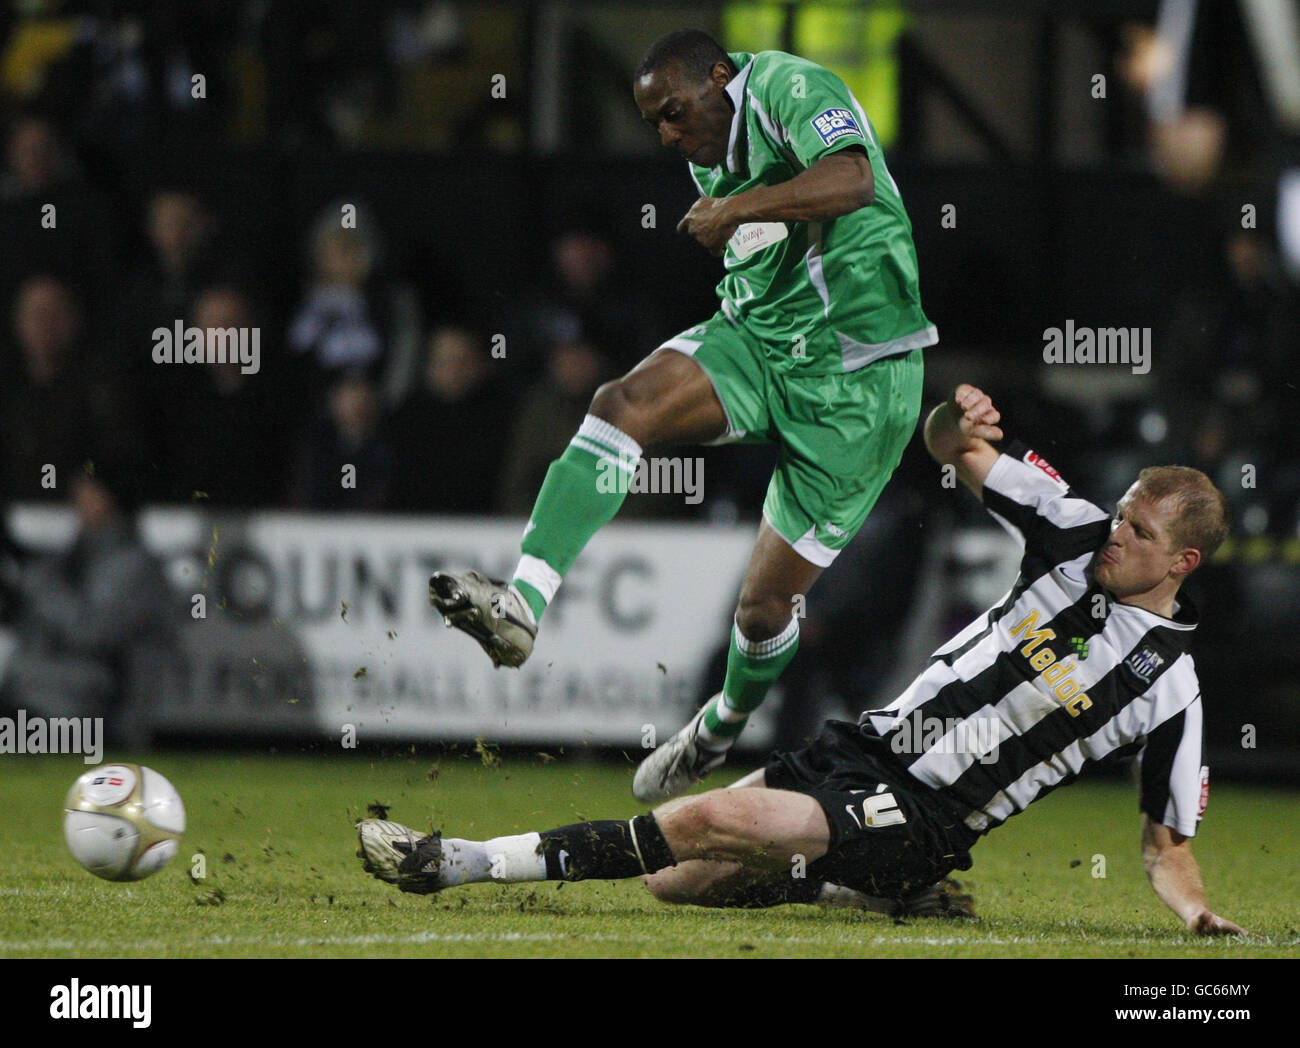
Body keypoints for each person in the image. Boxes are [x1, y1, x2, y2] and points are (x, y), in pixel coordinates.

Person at [359, 384, 1243, 935]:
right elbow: (951, 448)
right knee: (673, 885)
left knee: (704, 819)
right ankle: (850, 895)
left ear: (1181, 564)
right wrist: (952, 417)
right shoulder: (1073, 526)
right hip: (865, 750)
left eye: (1139, 532)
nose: (1115, 535)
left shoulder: (1169, 687)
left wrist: (1198, 912)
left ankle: (461, 860)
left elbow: (1165, 845)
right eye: (1123, 513)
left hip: (927, 818)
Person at [430, 29, 936, 803]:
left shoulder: (792, 90)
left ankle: (720, 727)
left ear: (722, 78)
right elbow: (767, 241)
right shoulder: (707, 153)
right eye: (654, 123)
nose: (668, 134)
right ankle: (522, 604)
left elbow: (851, 182)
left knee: (764, 609)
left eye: (674, 111)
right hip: (764, 340)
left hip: (859, 382)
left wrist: (740, 208)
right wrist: (742, 218)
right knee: (618, 404)